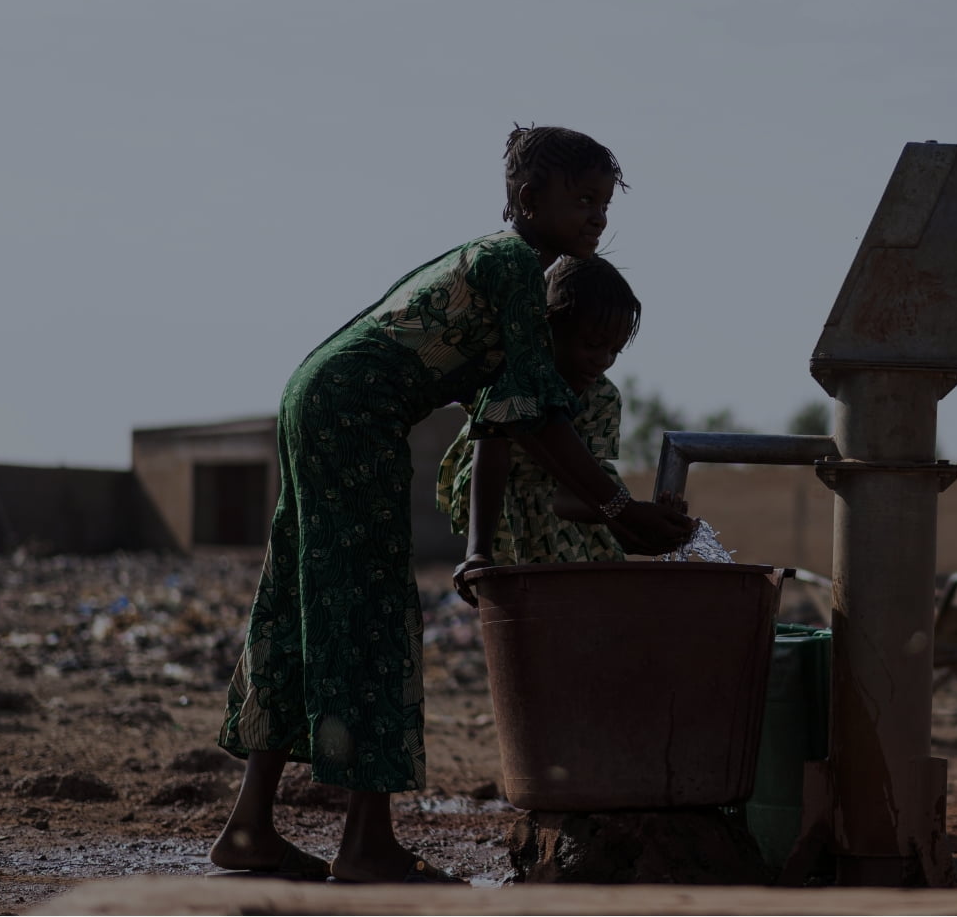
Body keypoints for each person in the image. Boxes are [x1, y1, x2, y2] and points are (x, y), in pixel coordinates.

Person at [208, 126, 694, 882]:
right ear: (530, 200)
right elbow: (531, 413)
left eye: (605, 204)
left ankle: (249, 827)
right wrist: (619, 509)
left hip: (320, 398)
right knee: (373, 610)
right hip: (355, 413)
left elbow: (507, 415)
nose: (598, 218)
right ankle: (366, 845)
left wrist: (597, 510)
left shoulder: (497, 269)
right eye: (583, 201)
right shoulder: (511, 268)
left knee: (303, 601)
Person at [437, 254, 658, 589]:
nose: (603, 361)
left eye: (615, 351)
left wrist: (632, 519)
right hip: (501, 500)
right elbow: (491, 452)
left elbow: (570, 497)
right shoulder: (511, 375)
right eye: (593, 345)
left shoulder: (602, 397)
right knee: (517, 596)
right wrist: (477, 552)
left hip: (566, 509)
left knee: (591, 594)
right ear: (548, 327)